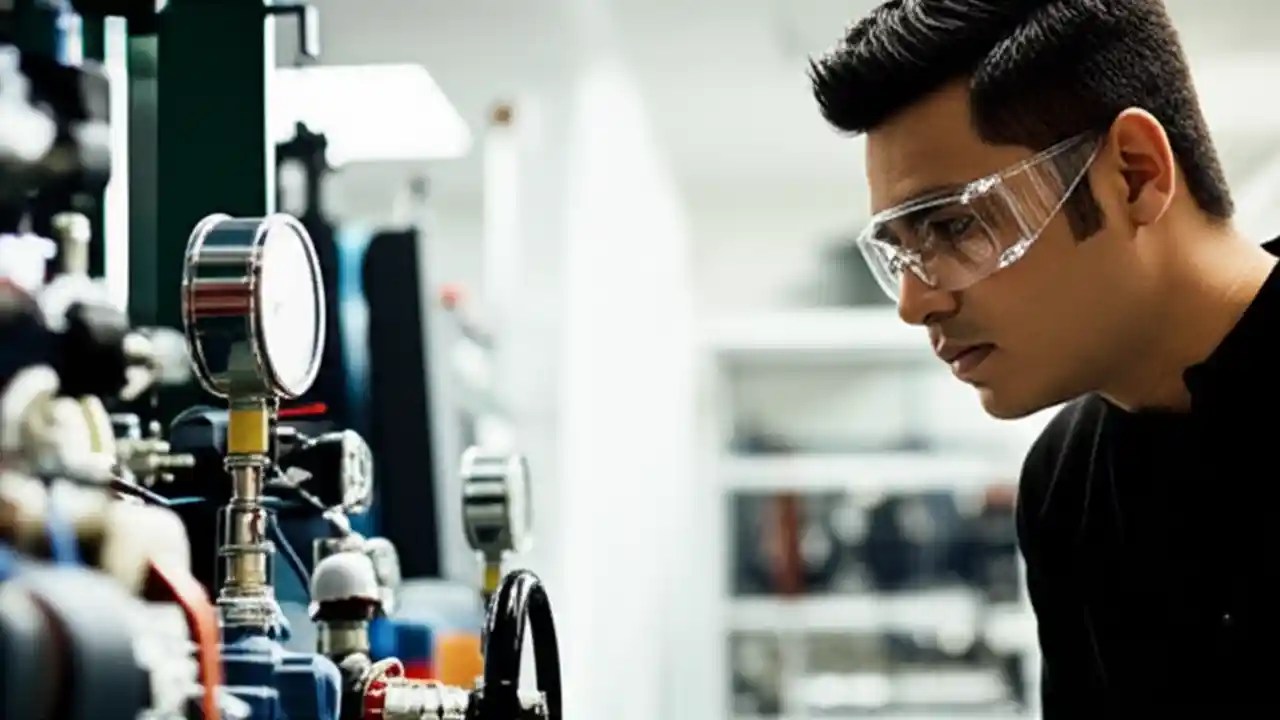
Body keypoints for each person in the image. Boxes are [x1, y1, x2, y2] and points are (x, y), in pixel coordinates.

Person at [808, 0, 1280, 715]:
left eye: (955, 224)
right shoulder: (1065, 486)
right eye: (899, 251)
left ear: (1133, 174)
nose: (915, 302)